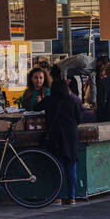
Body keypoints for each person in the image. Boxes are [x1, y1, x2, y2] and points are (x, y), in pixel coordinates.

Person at [43, 68, 81, 205]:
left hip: (55, 137)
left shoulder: (48, 100)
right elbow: (79, 118)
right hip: (71, 137)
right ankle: (72, 197)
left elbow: (35, 107)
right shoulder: (73, 101)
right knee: (71, 168)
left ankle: (57, 197)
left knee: (57, 167)